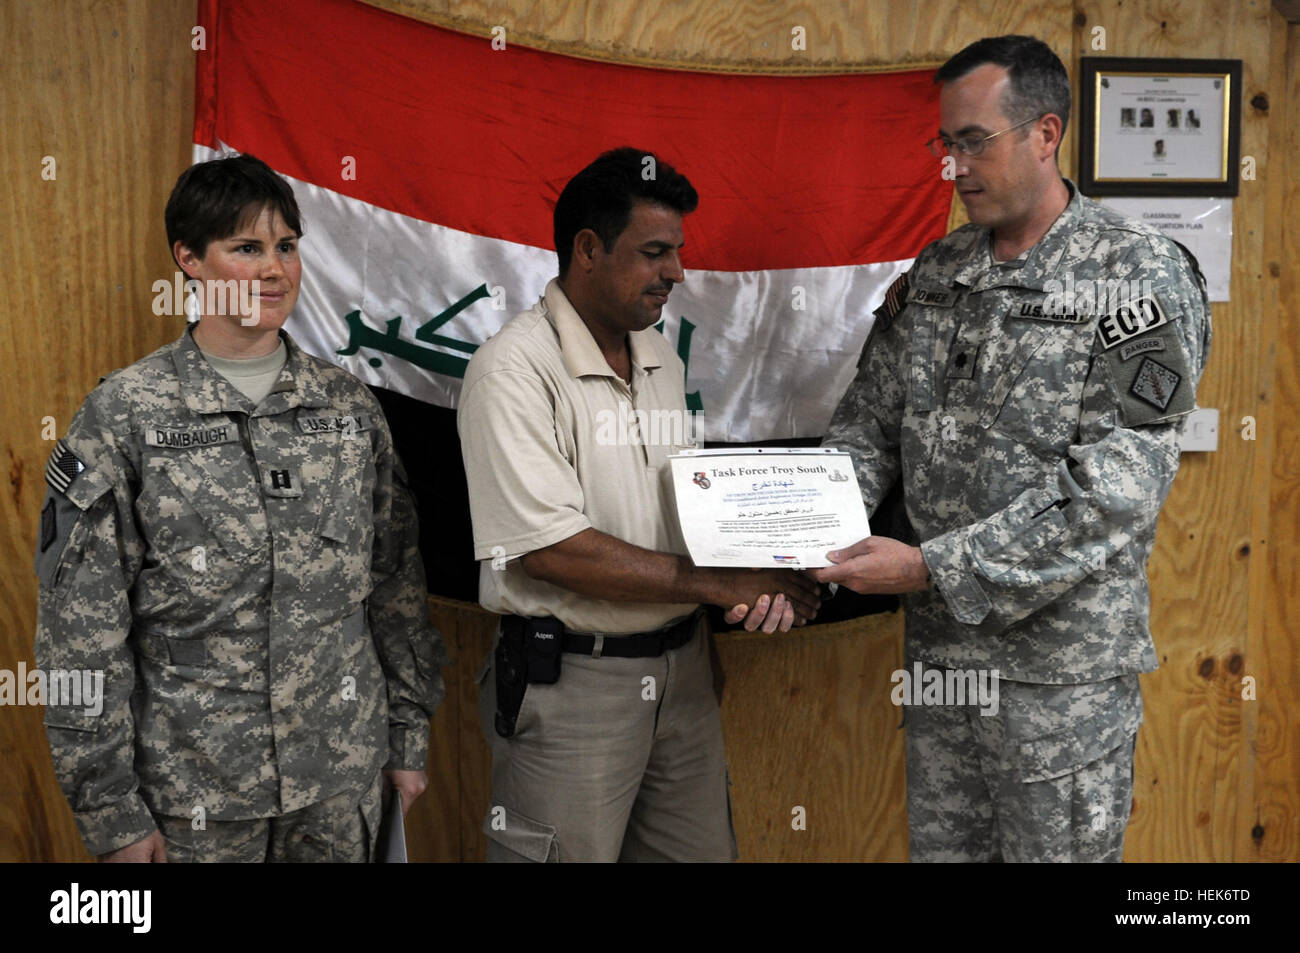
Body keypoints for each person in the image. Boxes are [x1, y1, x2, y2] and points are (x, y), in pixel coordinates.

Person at [816, 36, 1210, 863]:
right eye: (945, 144)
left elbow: (1119, 480)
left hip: (1057, 684)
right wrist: (795, 540)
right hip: (943, 663)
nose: (952, 168)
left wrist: (932, 567)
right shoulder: (938, 272)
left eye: (973, 142)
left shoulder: (1135, 275)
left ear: (1045, 133)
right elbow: (865, 426)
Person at [34, 153, 446, 862]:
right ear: (189, 259)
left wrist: (407, 737)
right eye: (247, 248)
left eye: (287, 246)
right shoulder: (125, 416)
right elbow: (81, 636)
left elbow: (395, 587)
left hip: (338, 787)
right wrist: (111, 813)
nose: (275, 270)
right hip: (195, 801)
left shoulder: (348, 409)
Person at [457, 147, 821, 862]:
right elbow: (552, 548)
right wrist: (726, 585)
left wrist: (762, 581)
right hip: (572, 689)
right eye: (655, 252)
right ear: (588, 250)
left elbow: (681, 513)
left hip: (682, 675)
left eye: (678, 251)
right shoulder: (512, 370)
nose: (676, 272)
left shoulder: (660, 355)